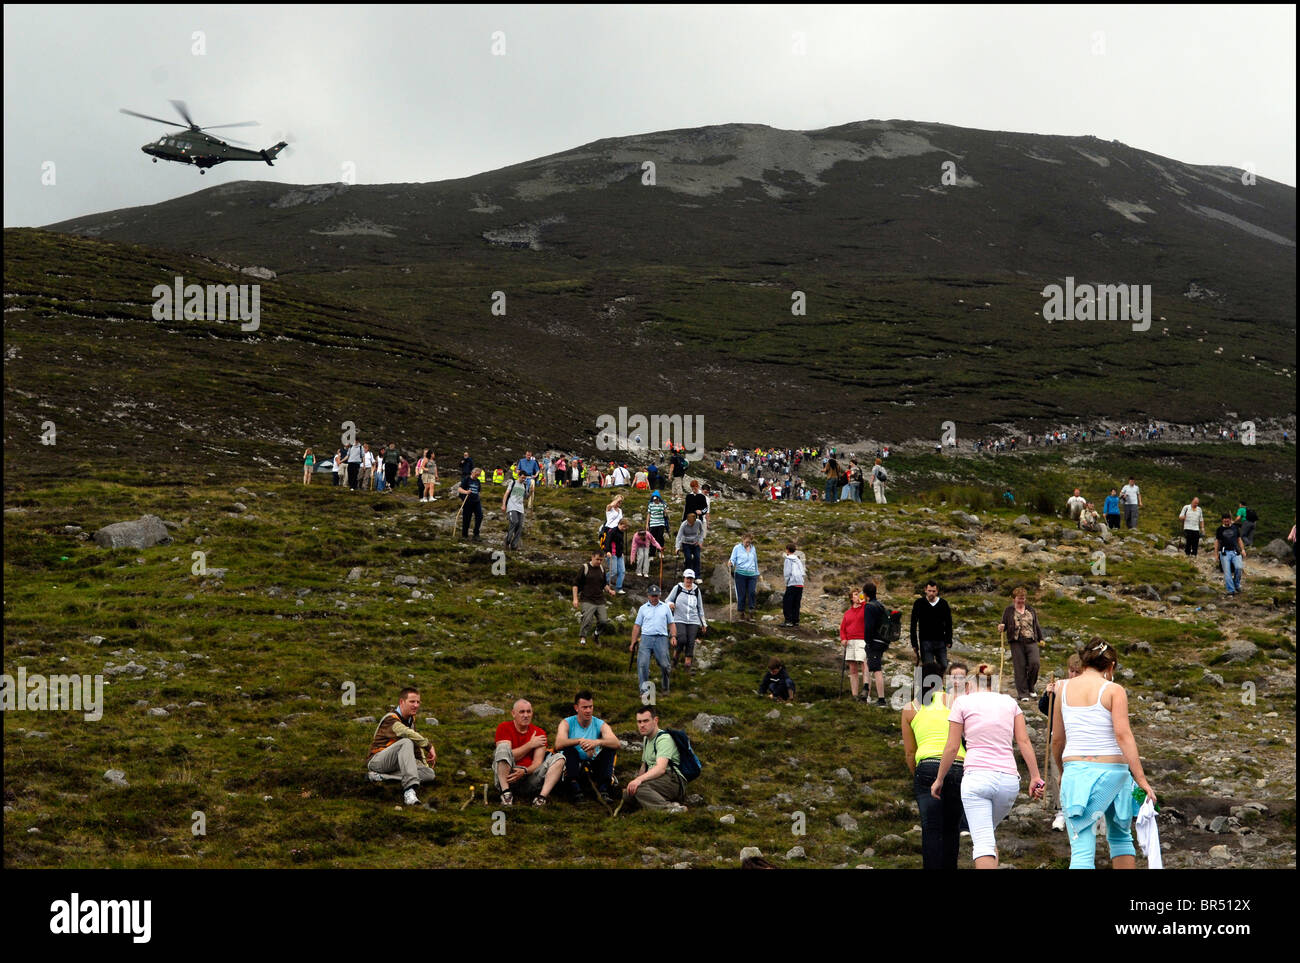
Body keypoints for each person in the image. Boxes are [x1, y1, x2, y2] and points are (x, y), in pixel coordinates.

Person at [1051, 639, 1157, 868]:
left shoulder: (1063, 689)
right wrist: (1141, 779)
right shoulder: (1113, 690)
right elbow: (1123, 735)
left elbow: (1057, 739)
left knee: (1081, 850)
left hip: (1077, 773)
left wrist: (1061, 771)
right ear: (1110, 666)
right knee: (1121, 837)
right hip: (1115, 774)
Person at [931, 664, 1045, 868]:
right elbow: (1024, 741)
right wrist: (1035, 776)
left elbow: (952, 746)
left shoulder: (963, 702)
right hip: (1008, 781)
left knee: (982, 843)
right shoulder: (1010, 702)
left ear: (970, 684)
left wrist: (939, 778)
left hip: (977, 778)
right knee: (986, 834)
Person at [902, 661, 966, 870]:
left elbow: (910, 752)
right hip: (957, 765)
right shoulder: (956, 701)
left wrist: (918, 775)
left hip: (927, 766)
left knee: (931, 829)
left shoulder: (910, 708)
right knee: (952, 828)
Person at [365, 686, 437, 806]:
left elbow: (416, 746)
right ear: (401, 702)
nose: (416, 705)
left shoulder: (410, 720)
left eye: (418, 702)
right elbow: (407, 733)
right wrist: (428, 746)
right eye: (412, 701)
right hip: (377, 761)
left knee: (429, 774)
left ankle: (381, 777)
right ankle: (409, 791)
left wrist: (423, 764)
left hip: (395, 764)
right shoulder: (390, 719)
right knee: (406, 741)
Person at [493, 699, 566, 806]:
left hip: (529, 777)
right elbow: (505, 755)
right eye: (522, 712)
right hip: (507, 776)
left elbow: (537, 762)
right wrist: (530, 745)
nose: (526, 715)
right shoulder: (504, 727)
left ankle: (541, 798)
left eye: (528, 712)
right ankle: (506, 794)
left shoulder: (539, 733)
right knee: (503, 747)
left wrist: (524, 771)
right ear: (513, 713)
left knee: (560, 757)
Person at [1040, 653, 1083, 831]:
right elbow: (1044, 709)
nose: (1072, 675)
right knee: (1058, 774)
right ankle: (1060, 811)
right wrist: (1047, 695)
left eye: (1077, 672)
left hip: (1079, 738)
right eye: (1070, 671)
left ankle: (1080, 810)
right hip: (1058, 737)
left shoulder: (1086, 689)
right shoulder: (1060, 686)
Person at [555, 690, 620, 803]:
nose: (588, 710)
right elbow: (558, 744)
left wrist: (597, 742)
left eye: (590, 707)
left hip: (592, 763)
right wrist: (580, 741)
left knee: (609, 749)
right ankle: (575, 790)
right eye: (584, 707)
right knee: (569, 750)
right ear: (576, 708)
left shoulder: (599, 723)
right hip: (572, 764)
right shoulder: (567, 723)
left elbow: (616, 743)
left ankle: (603, 790)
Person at [623, 705, 687, 811]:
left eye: (646, 721)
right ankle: (659, 804)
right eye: (639, 722)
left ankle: (670, 809)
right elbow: (644, 766)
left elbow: (661, 768)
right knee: (628, 793)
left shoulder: (664, 739)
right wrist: (634, 783)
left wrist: (639, 781)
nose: (642, 725)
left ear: (655, 720)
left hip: (672, 780)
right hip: (657, 779)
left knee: (639, 789)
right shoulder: (646, 739)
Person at [630, 584, 676, 698]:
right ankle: (644, 691)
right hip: (646, 638)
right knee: (643, 664)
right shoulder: (642, 608)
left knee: (665, 665)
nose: (654, 598)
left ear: (659, 595)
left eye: (656, 595)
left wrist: (673, 636)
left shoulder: (665, 607)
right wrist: (633, 642)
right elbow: (637, 626)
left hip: (661, 638)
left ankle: (665, 687)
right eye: (652, 595)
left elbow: (671, 623)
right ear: (648, 596)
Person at [998, 586, 1042, 701]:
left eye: (1023, 598)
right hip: (1016, 642)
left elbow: (1036, 625)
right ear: (1014, 599)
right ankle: (1023, 694)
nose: (1021, 601)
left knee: (1035, 664)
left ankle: (1030, 687)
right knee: (1020, 667)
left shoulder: (1030, 609)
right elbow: (1004, 624)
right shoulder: (1009, 610)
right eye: (1019, 598)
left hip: (1031, 640)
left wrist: (1041, 638)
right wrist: (1001, 627)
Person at [666, 569, 708, 669]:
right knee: (681, 639)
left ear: (693, 579)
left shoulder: (696, 590)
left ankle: (687, 666)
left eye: (691, 578)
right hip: (679, 619)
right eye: (687, 578)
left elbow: (700, 608)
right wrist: (670, 604)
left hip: (693, 620)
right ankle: (675, 658)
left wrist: (703, 624)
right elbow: (668, 600)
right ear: (684, 578)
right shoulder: (678, 588)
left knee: (690, 642)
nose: (689, 580)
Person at [572, 550, 615, 646]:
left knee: (603, 621)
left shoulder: (602, 569)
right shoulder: (585, 568)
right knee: (587, 620)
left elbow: (604, 584)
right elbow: (575, 584)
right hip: (587, 599)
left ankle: (596, 634)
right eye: (597, 559)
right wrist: (575, 599)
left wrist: (609, 590)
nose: (599, 562)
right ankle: (583, 638)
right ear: (592, 557)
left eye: (601, 560)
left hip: (599, 600)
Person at [910, 580, 953, 673]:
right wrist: (914, 643)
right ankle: (930, 686)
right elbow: (913, 624)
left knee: (944, 665)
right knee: (928, 667)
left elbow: (949, 623)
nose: (931, 593)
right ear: (925, 590)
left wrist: (949, 639)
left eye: (933, 591)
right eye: (929, 591)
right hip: (925, 641)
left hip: (940, 640)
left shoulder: (943, 603)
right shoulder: (919, 603)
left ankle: (939, 684)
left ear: (937, 591)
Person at [839, 588, 868, 700]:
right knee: (852, 667)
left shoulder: (864, 608)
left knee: (864, 663)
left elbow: (865, 602)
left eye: (858, 595)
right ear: (851, 598)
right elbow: (842, 628)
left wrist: (862, 600)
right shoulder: (847, 613)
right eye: (855, 595)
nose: (858, 596)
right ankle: (854, 694)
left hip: (862, 639)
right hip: (850, 641)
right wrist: (843, 639)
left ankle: (865, 690)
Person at [729, 532, 759, 622]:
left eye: (749, 542)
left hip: (752, 574)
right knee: (741, 594)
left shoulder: (753, 548)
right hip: (740, 574)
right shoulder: (737, 548)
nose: (748, 544)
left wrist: (757, 572)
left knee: (752, 592)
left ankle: (751, 612)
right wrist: (731, 562)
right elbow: (733, 558)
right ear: (743, 540)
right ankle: (741, 613)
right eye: (746, 542)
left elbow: (755, 561)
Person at [1215, 512, 1246, 596]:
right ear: (1222, 520)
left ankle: (1237, 584)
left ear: (1230, 519)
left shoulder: (1235, 528)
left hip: (1235, 551)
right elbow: (1217, 542)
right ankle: (1230, 590)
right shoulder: (1219, 529)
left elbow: (1239, 539)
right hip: (1224, 553)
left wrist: (1242, 549)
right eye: (1224, 519)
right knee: (1227, 572)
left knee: (1238, 568)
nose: (1226, 521)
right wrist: (1216, 554)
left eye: (1227, 519)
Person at [502, 471, 528, 550]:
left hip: (520, 508)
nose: (523, 479)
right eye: (522, 477)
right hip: (512, 506)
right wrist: (503, 505)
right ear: (518, 476)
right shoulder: (512, 483)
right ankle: (507, 541)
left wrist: (531, 491)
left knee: (520, 526)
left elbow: (526, 496)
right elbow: (506, 494)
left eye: (525, 478)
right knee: (514, 522)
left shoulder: (524, 485)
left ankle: (514, 545)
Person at [675, 510, 704, 578]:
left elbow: (702, 532)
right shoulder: (683, 524)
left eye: (692, 523)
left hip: (695, 543)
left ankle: (697, 576)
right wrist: (677, 547)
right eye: (689, 523)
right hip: (686, 543)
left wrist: (700, 541)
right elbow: (679, 536)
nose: (690, 524)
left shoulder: (698, 522)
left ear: (695, 521)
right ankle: (687, 575)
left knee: (697, 558)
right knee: (688, 558)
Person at [782, 543, 805, 627]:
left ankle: (788, 621)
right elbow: (802, 571)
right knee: (796, 603)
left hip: (792, 583)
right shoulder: (798, 559)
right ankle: (796, 621)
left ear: (787, 550)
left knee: (787, 602)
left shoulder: (788, 559)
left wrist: (787, 582)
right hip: (800, 584)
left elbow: (787, 573)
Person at [457, 468, 484, 539]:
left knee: (480, 516)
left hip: (476, 502)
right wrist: (466, 492)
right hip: (467, 502)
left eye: (478, 475)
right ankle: (464, 535)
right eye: (476, 474)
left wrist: (478, 497)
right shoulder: (466, 479)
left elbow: (478, 491)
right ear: (472, 472)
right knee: (467, 518)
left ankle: (476, 534)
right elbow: (459, 489)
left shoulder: (478, 481)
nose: (477, 476)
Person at [605, 519, 629, 594]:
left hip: (619, 554)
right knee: (613, 571)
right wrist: (608, 551)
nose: (624, 529)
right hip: (612, 554)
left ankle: (618, 588)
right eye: (624, 527)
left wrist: (622, 552)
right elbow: (607, 541)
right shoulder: (612, 531)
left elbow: (620, 543)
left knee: (622, 571)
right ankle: (603, 582)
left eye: (626, 528)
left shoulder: (622, 532)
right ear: (620, 524)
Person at [647, 491, 668, 561]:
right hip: (653, 523)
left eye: (657, 499)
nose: (656, 500)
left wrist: (666, 513)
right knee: (652, 538)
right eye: (654, 499)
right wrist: (647, 524)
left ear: (659, 498)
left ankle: (660, 551)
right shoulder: (650, 505)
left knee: (660, 537)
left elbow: (665, 514)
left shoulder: (663, 504)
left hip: (661, 523)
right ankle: (652, 554)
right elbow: (649, 514)